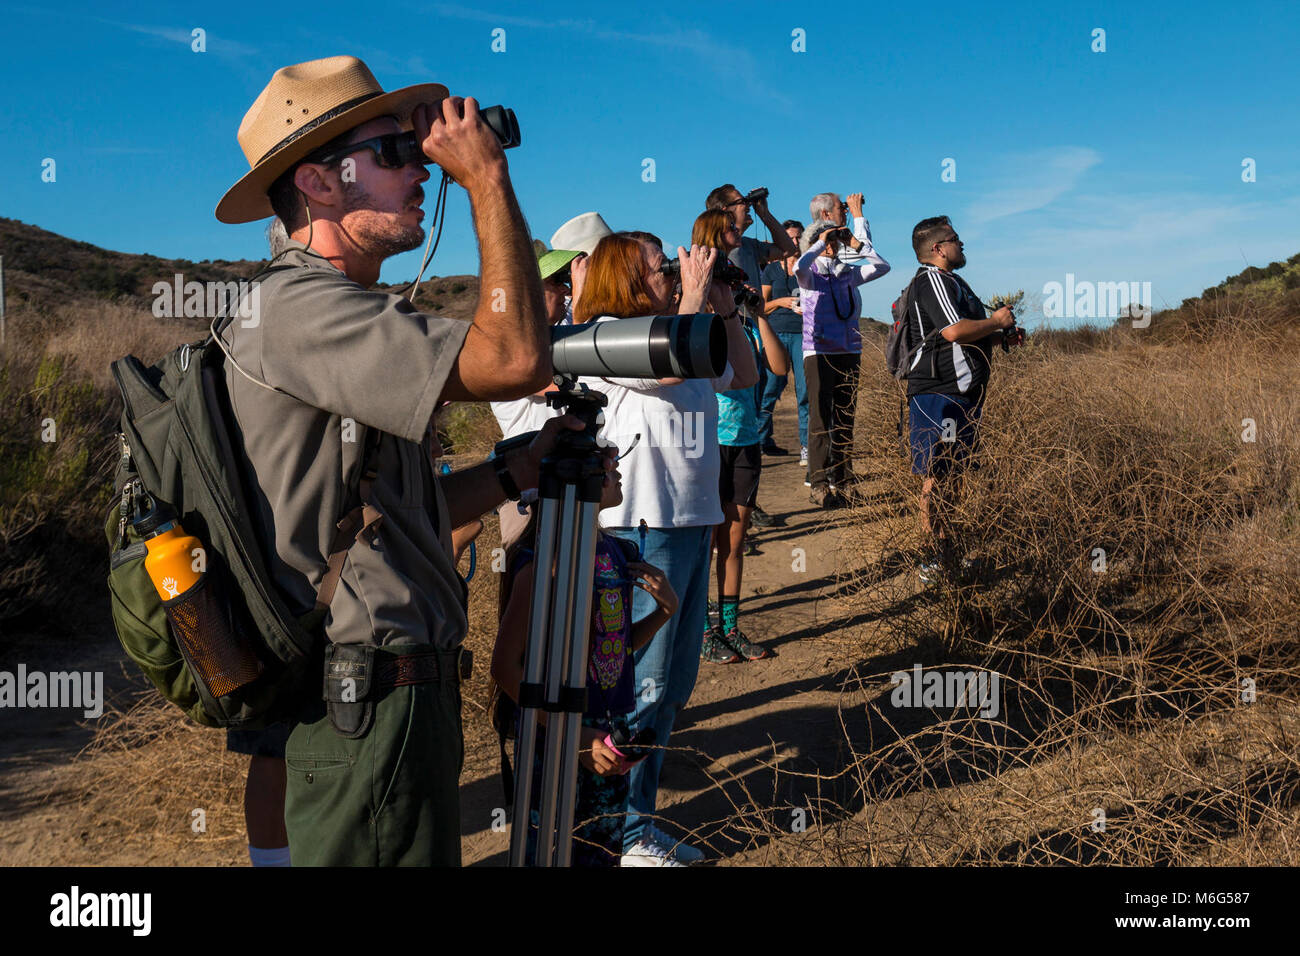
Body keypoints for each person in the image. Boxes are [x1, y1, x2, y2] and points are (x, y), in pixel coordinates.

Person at [214, 55, 593, 866]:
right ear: (318, 184)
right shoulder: (301, 310)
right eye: (393, 153)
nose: (422, 168)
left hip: (391, 699)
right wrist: (487, 179)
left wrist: (514, 474)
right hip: (367, 704)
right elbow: (518, 358)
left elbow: (396, 519)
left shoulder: (337, 312)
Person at [575, 233, 757, 865]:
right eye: (662, 269)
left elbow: (747, 375)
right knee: (637, 688)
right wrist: (699, 296)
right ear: (626, 278)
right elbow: (670, 366)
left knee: (673, 686)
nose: (677, 276)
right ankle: (618, 837)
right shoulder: (605, 335)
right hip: (640, 528)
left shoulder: (685, 320)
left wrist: (726, 304)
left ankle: (635, 828)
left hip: (687, 522)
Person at [491, 462, 678, 866]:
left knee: (601, 852)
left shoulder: (616, 552)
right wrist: (572, 735)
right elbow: (506, 667)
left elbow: (614, 647)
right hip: (554, 734)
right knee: (550, 849)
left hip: (608, 734)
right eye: (607, 468)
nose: (619, 471)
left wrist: (665, 611)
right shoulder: (544, 564)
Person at [690, 210, 789, 664]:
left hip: (745, 439)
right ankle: (703, 630)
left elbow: (779, 367)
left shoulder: (739, 313)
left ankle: (730, 628)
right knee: (704, 542)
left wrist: (756, 313)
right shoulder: (691, 308)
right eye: (732, 233)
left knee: (734, 539)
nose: (740, 238)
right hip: (707, 440)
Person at [903, 216, 1020, 583]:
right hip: (939, 392)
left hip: (963, 394)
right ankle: (932, 560)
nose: (962, 243)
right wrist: (997, 322)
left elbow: (967, 334)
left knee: (953, 476)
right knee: (937, 475)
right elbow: (953, 332)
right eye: (955, 239)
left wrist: (1002, 337)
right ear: (937, 249)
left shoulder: (955, 282)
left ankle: (948, 554)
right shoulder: (931, 279)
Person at [704, 184, 799, 525]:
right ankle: (725, 508)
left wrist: (764, 213)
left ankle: (746, 501)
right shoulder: (713, 247)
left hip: (752, 331)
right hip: (724, 334)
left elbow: (787, 248)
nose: (747, 206)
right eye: (742, 202)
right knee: (730, 411)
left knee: (753, 405)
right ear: (724, 211)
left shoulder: (748, 245)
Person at [795, 220, 891, 507]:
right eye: (828, 240)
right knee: (821, 417)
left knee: (846, 417)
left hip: (849, 349)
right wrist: (817, 241)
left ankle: (846, 480)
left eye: (834, 240)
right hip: (819, 351)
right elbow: (798, 266)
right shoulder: (808, 274)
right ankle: (820, 483)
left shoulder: (846, 273)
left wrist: (856, 245)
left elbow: (883, 267)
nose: (831, 245)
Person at [759, 219, 808, 466]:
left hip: (803, 334)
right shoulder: (771, 270)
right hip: (776, 333)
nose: (795, 242)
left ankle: (806, 447)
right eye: (790, 238)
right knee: (769, 390)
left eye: (799, 237)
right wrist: (781, 302)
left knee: (804, 392)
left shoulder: (808, 267)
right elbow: (760, 305)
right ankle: (760, 441)